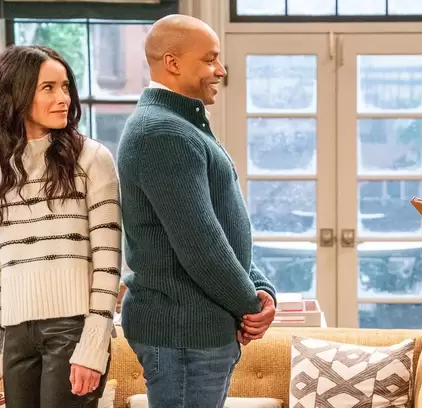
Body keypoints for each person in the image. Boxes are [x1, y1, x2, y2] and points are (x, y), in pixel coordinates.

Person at [116, 14, 277, 408]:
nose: (220, 70)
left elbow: (220, 228)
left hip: (196, 331)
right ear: (172, 63)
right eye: (209, 59)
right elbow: (201, 245)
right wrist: (250, 306)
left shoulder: (180, 125)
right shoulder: (162, 132)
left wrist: (260, 287)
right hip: (183, 333)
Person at [0, 45, 121, 407]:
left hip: (72, 330)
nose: (63, 98)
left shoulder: (92, 158)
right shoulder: (4, 168)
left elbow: (108, 262)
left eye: (65, 87)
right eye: (48, 88)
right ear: (17, 93)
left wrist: (93, 346)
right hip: (15, 333)